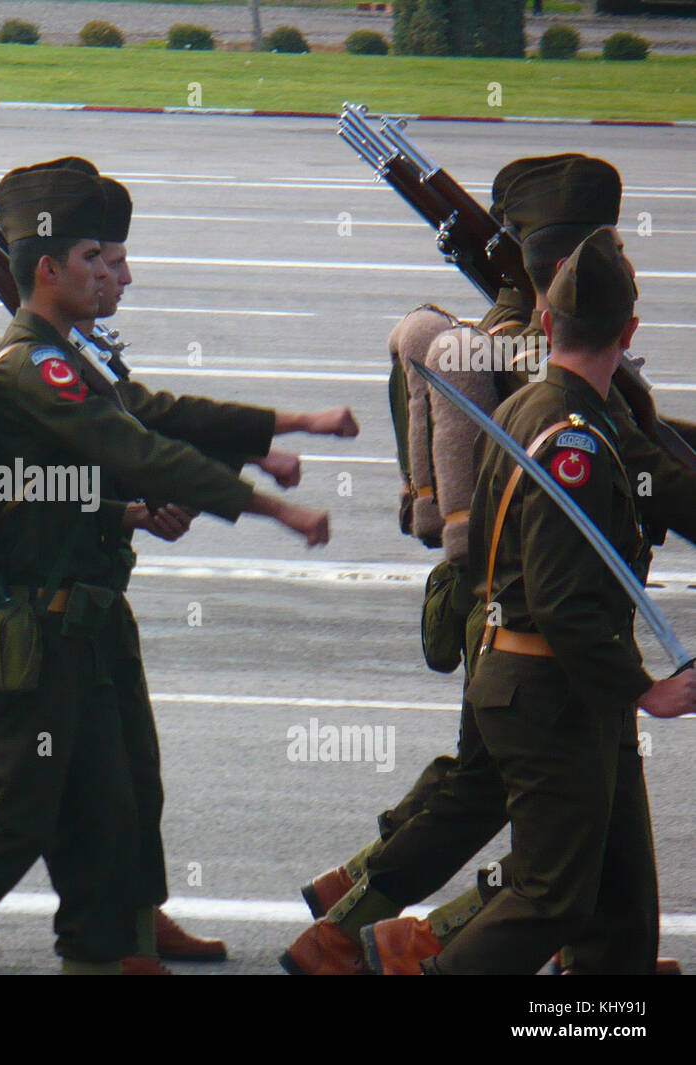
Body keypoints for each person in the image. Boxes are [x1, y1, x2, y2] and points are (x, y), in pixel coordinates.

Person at [0, 162, 330, 974]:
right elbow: (131, 445)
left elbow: (115, 441)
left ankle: (114, 952)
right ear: (48, 269)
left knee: (113, 804)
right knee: (11, 815)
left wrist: (275, 430)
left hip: (83, 617)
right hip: (44, 627)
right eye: (98, 257)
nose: (117, 272)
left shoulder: (70, 358)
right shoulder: (33, 365)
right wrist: (266, 505)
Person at [285, 154, 696, 975]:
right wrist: (637, 685)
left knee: (560, 840)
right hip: (533, 630)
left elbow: (646, 444)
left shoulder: (530, 341)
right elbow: (647, 472)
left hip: (542, 632)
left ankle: (370, 919)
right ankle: (385, 934)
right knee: (539, 848)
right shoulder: (530, 360)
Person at [421, 227, 693, 972]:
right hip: (551, 690)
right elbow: (562, 599)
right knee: (553, 895)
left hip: (558, 688)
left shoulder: (530, 410)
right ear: (630, 331)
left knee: (620, 898)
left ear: (547, 323)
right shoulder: (574, 437)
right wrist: (648, 690)